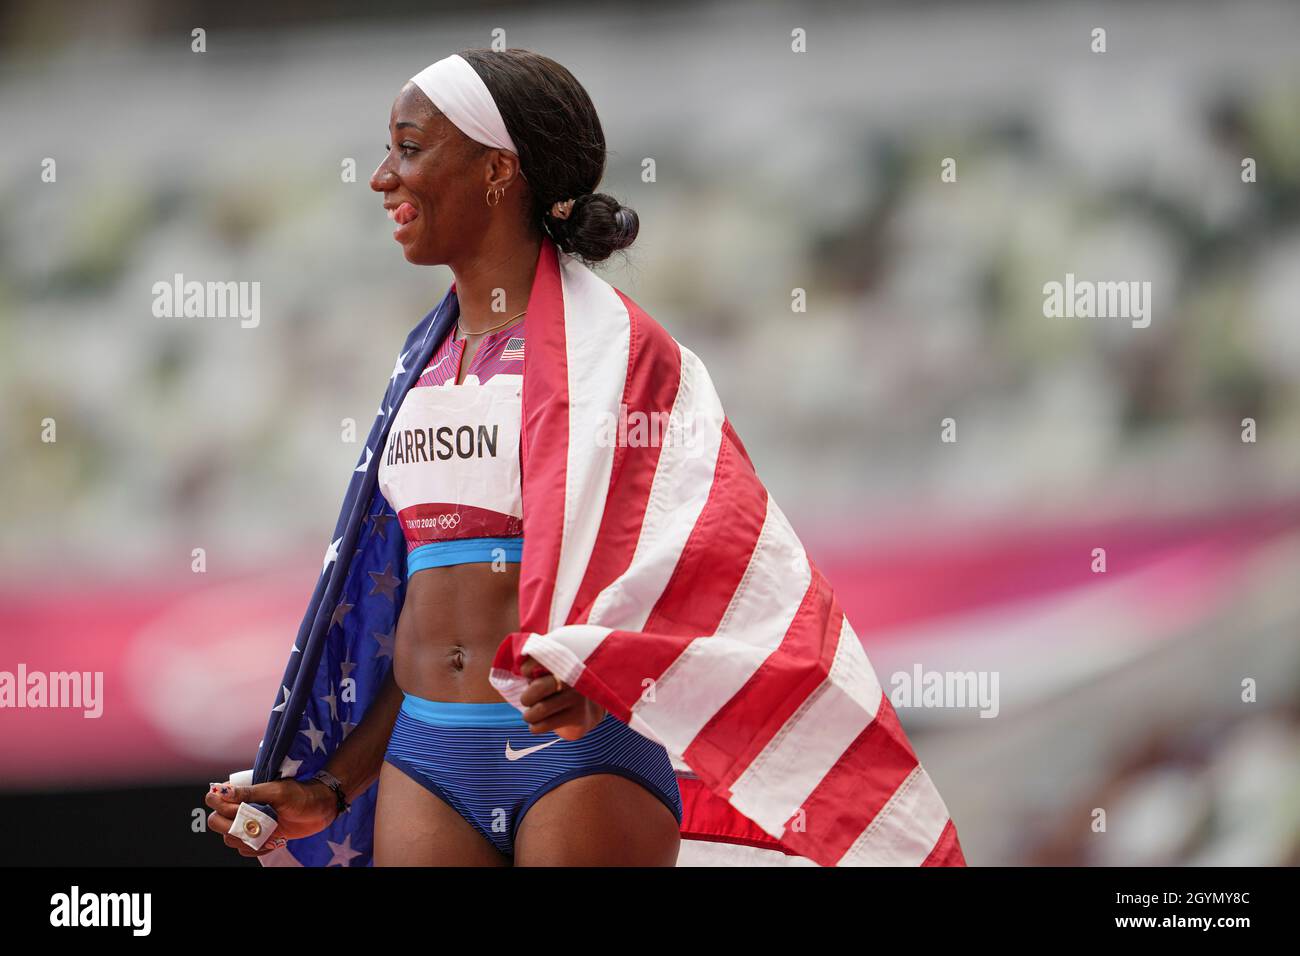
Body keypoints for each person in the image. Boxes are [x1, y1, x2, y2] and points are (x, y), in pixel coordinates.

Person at [205, 49, 681, 866]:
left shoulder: (619, 348)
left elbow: (703, 548)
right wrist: (334, 788)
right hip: (427, 757)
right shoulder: (417, 362)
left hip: (579, 755)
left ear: (498, 169)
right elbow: (427, 618)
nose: (381, 177)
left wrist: (610, 670)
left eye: (409, 147)